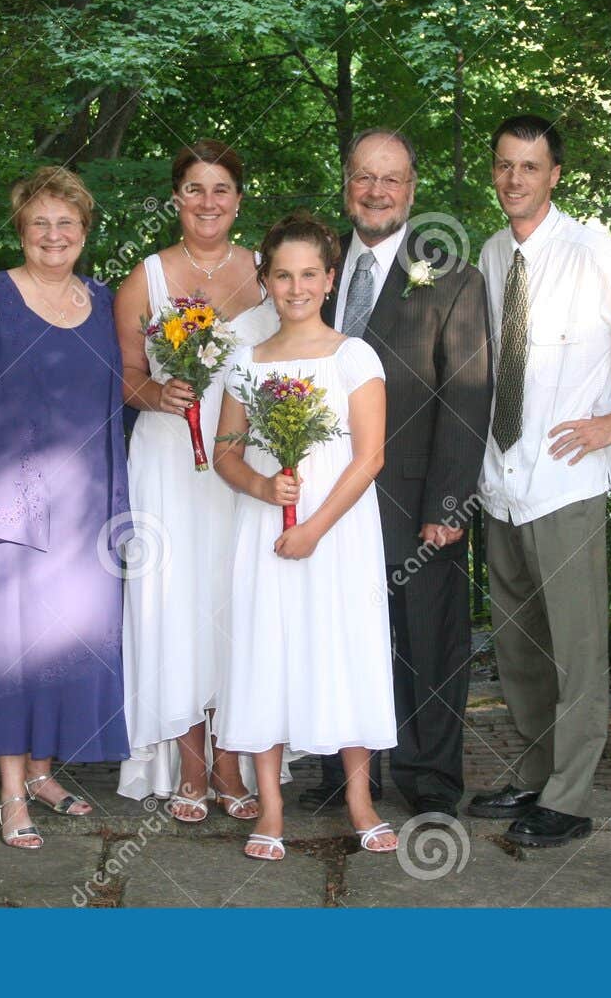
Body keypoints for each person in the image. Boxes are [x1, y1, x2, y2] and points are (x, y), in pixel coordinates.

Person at [466, 115, 611, 847]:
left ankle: (567, 799)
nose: (514, 179)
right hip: (502, 482)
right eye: (504, 165)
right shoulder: (492, 252)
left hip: (565, 485)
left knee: (575, 651)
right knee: (519, 648)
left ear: (554, 174)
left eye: (529, 167)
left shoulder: (594, 251)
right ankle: (536, 774)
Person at [0, 166, 131, 850]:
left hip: (85, 509)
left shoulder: (105, 303)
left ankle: (45, 773)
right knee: (10, 648)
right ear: (21, 228)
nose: (53, 234)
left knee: (68, 644)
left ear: (84, 230)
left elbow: (127, 398)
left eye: (66, 223)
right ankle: (12, 791)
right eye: (40, 222)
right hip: (6, 506)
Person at [300, 129, 492, 819]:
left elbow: (469, 397)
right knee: (334, 632)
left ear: (412, 190)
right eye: (363, 177)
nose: (376, 191)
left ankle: (429, 776)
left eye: (392, 179)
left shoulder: (451, 275)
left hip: (415, 497)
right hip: (325, 495)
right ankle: (341, 773)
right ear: (346, 182)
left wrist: (449, 502)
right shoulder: (312, 273)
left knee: (426, 642)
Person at [213, 210, 398, 861]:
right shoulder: (247, 360)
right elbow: (226, 452)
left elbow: (369, 457)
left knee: (344, 645)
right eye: (282, 274)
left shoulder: (355, 355)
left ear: (328, 280)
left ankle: (359, 800)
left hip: (336, 531)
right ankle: (270, 805)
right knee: (266, 649)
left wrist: (315, 528)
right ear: (265, 280)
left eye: (309, 274)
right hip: (266, 530)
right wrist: (264, 489)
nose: (295, 287)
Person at [114, 140, 278, 822]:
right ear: (176, 197)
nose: (208, 202)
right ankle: (188, 763)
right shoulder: (144, 280)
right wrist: (158, 394)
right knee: (175, 602)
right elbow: (123, 376)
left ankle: (233, 760)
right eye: (194, 188)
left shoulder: (271, 275)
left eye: (221, 189)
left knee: (237, 602)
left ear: (239, 199)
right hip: (170, 462)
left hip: (245, 462)